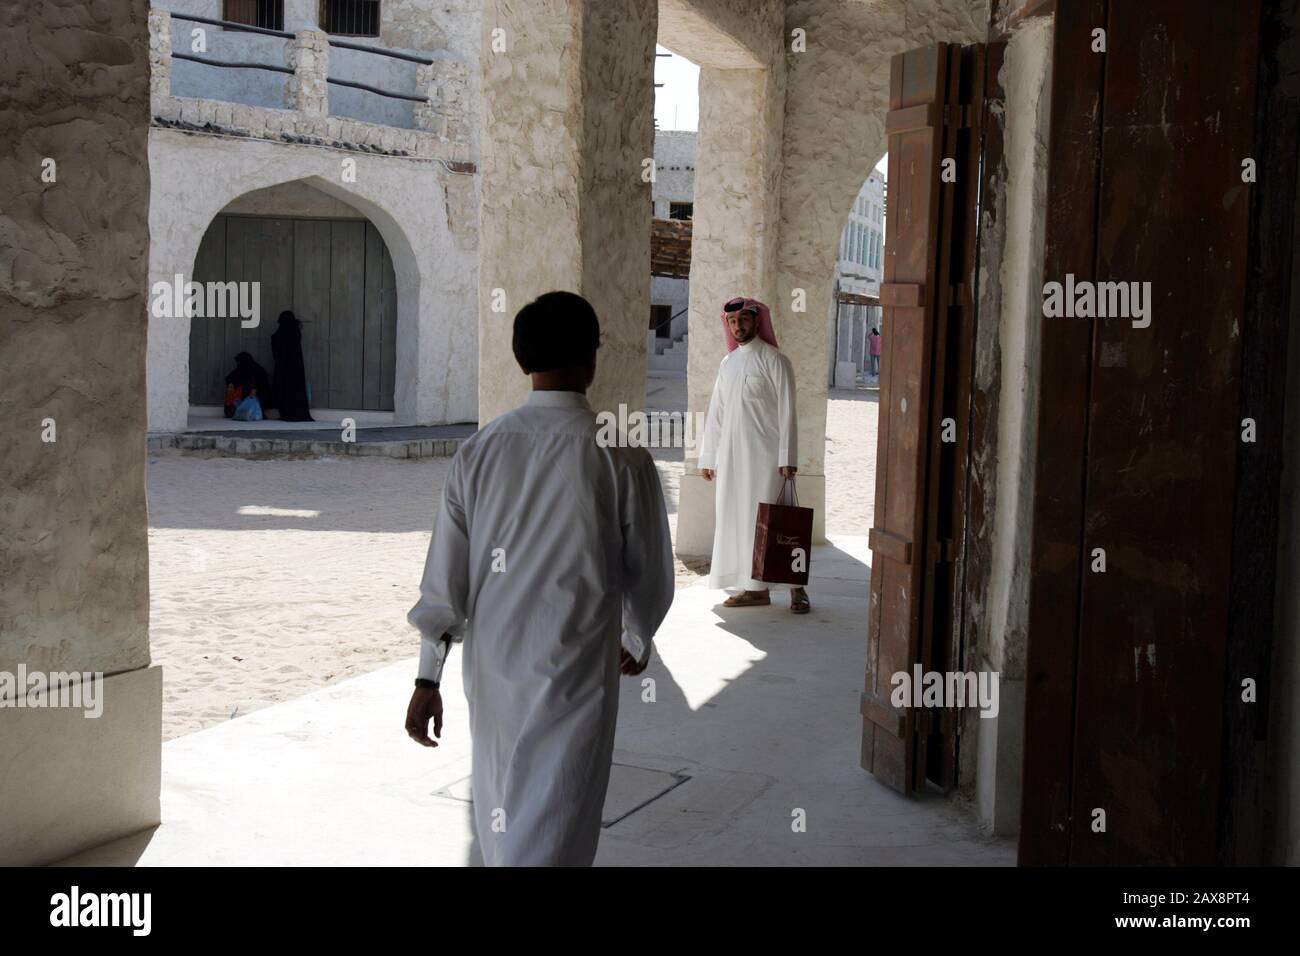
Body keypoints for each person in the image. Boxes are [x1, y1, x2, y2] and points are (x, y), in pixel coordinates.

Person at [404, 290, 675, 866]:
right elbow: (649, 571)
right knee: (561, 812)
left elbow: (444, 585)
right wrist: (636, 633)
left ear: (521, 361)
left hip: (494, 665)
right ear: (593, 358)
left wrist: (428, 678)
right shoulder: (620, 454)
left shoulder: (478, 453)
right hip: (577, 665)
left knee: (501, 802)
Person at [697, 296, 810, 614]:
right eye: (732, 321)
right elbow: (716, 412)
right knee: (740, 522)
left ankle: (797, 589)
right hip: (731, 461)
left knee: (779, 522)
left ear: (757, 321)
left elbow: (788, 410)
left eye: (743, 320)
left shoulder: (775, 360)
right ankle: (754, 589)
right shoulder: (727, 363)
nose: (738, 326)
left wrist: (788, 456)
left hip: (766, 460)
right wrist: (709, 458)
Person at [271, 310, 313, 422]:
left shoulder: (283, 332)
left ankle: (287, 413)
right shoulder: (295, 331)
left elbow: (276, 343)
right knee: (295, 390)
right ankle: (294, 413)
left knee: (284, 390)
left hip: (284, 367)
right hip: (296, 368)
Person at [223, 351, 272, 418]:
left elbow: (263, 386)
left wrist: (255, 390)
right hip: (244, 396)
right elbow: (230, 377)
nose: (239, 365)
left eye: (240, 363)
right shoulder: (240, 369)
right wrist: (230, 384)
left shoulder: (258, 370)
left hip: (258, 397)